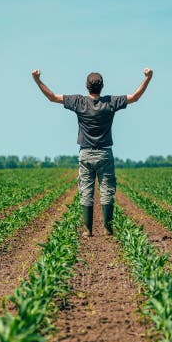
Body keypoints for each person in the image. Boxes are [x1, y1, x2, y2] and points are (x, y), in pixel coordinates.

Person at [31, 68, 153, 236]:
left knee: (86, 191)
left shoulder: (79, 102)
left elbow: (52, 97)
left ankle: (88, 231)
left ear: (86, 86)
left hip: (85, 154)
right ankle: (107, 228)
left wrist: (37, 80)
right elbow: (135, 97)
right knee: (107, 191)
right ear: (102, 86)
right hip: (105, 154)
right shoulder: (110, 102)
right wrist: (148, 78)